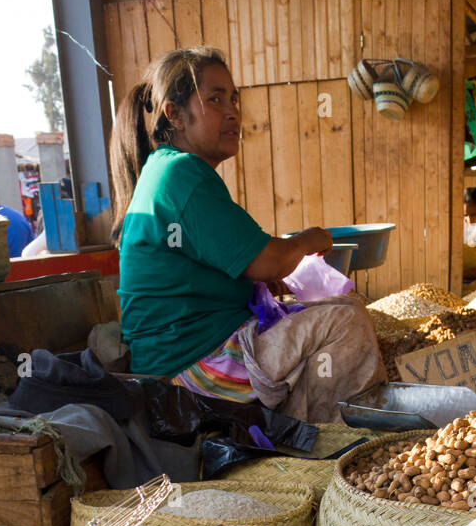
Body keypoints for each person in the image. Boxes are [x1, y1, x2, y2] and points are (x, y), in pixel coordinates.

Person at [110, 46, 381, 413]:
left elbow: (235, 265)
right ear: (174, 114)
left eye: (234, 99)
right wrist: (310, 239)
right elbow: (270, 260)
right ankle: (328, 444)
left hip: (187, 362)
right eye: (215, 99)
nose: (232, 112)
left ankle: (300, 432)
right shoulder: (180, 175)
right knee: (345, 320)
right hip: (187, 375)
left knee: (327, 311)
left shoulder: (168, 170)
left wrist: (256, 282)